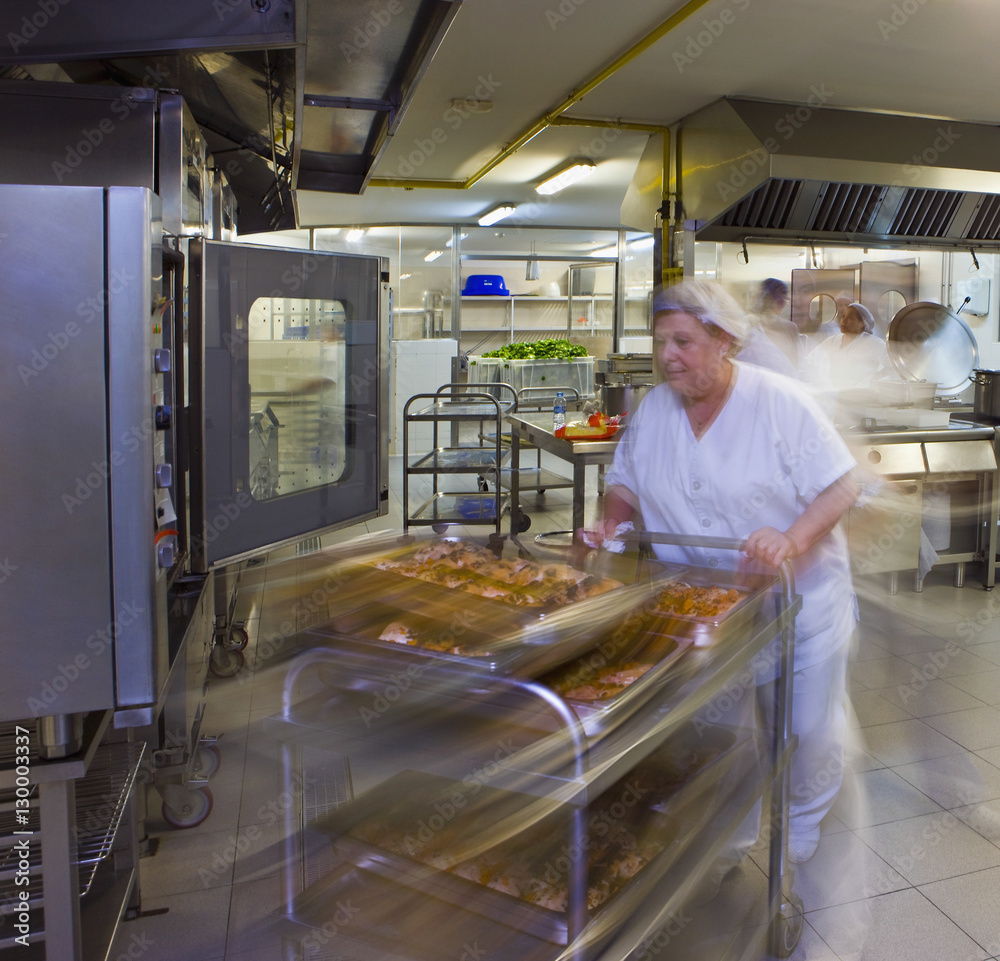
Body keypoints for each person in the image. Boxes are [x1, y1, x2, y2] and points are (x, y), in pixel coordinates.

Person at [589, 279, 860, 863]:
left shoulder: (778, 402)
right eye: (661, 342)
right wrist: (608, 525)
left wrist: (790, 538)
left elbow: (843, 483)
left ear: (724, 340)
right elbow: (625, 483)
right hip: (707, 612)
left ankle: (802, 820)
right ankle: (731, 840)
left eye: (682, 342)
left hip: (797, 604)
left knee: (806, 729)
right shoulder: (656, 408)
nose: (667, 357)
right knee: (722, 734)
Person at [805, 301, 890, 391]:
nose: (844, 321)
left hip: (861, 396)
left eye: (850, 318)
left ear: (862, 323)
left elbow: (893, 366)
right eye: (843, 316)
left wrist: (878, 377)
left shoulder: (874, 344)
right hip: (834, 394)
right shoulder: (833, 341)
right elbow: (810, 359)